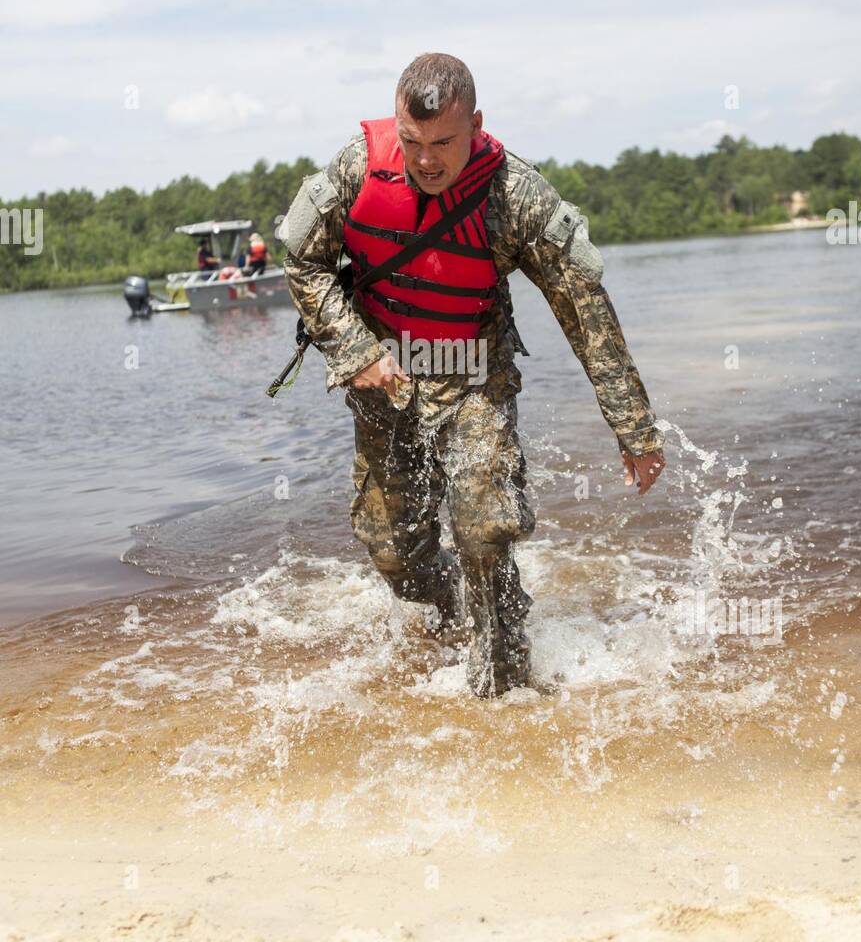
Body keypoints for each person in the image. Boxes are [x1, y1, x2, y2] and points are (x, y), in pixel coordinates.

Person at [277, 53, 665, 698]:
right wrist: (355, 351)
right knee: (392, 549)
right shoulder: (355, 167)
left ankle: (504, 685)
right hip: (385, 376)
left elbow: (584, 308)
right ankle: (455, 622)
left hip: (473, 370)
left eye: (444, 143)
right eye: (413, 142)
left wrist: (634, 427)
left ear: (477, 124)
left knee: (484, 525)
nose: (426, 161)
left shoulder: (516, 195)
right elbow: (302, 262)